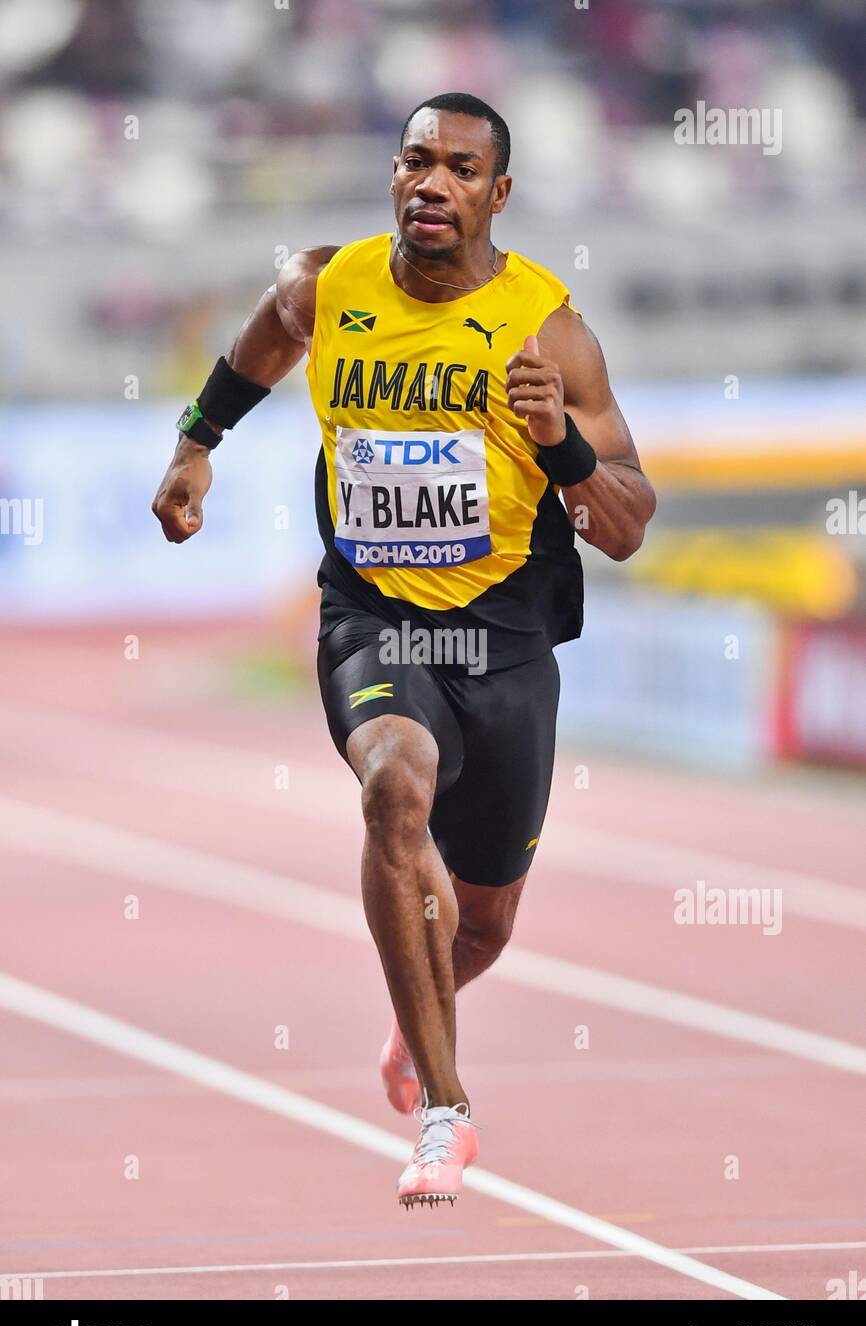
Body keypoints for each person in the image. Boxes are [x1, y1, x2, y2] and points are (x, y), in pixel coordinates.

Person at [152, 92, 656, 1208]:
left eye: (460, 169)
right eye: (415, 162)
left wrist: (557, 442)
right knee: (394, 784)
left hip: (506, 637)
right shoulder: (329, 286)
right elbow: (265, 342)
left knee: (481, 921)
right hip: (370, 615)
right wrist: (198, 443)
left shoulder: (548, 329)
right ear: (392, 176)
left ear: (498, 194)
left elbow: (625, 523)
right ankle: (444, 1108)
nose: (432, 183)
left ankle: (411, 1021)